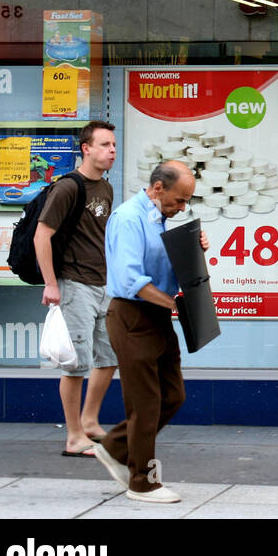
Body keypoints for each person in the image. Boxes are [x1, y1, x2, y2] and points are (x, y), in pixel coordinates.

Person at [91, 160, 208, 503]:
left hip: (156, 315)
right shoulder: (129, 218)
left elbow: (162, 264)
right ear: (158, 188)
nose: (182, 207)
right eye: (179, 200)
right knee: (146, 404)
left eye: (187, 201)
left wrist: (193, 249)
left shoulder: (160, 217)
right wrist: (172, 305)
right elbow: (130, 279)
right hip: (132, 315)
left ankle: (114, 446)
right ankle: (142, 482)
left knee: (173, 396)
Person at [36, 120, 117, 458]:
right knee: (76, 365)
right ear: (86, 148)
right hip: (74, 285)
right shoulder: (68, 188)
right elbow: (43, 235)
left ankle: (90, 420)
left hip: (103, 284)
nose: (111, 151)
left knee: (109, 357)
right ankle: (73, 436)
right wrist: (52, 284)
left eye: (113, 145)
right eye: (104, 145)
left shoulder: (107, 189)